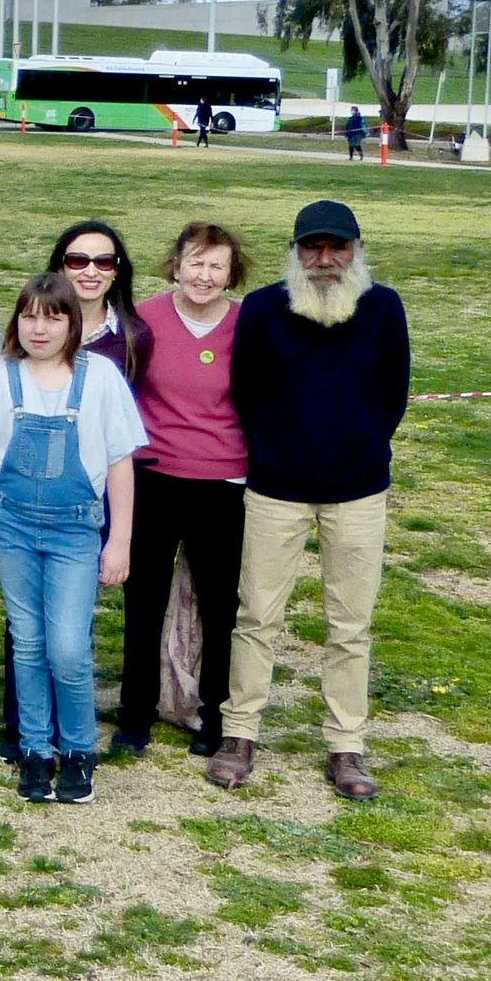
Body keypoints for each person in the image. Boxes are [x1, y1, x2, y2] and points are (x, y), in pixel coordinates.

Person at [211, 200, 410, 801]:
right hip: (276, 489)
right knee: (256, 616)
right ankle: (239, 733)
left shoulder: (383, 307)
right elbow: (244, 391)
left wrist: (361, 447)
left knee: (350, 624)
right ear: (295, 251)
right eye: (312, 248)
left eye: (336, 248)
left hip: (359, 490)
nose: (325, 260)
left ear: (356, 249)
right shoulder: (265, 308)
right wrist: (276, 453)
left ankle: (346, 744)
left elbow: (394, 394)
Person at [0, 274, 144, 804]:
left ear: (72, 323)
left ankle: (80, 750)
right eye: (30, 316)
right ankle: (37, 750)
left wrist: (120, 539)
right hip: (12, 526)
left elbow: (120, 463)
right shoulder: (0, 377)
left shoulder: (101, 377)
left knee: (67, 647)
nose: (40, 328)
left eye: (53, 317)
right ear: (18, 322)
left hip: (76, 530)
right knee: (29, 643)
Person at [117, 223, 250, 759]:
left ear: (231, 274)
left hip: (223, 480)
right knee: (143, 602)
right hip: (155, 475)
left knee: (221, 608)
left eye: (217, 266)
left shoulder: (247, 325)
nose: (205, 275)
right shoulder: (143, 319)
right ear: (175, 265)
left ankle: (214, 715)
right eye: (195, 263)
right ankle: (135, 714)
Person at [49, 221, 153, 387]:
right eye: (77, 261)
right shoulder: (32, 325)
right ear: (61, 269)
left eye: (104, 262)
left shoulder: (134, 337)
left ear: (116, 271)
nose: (91, 272)